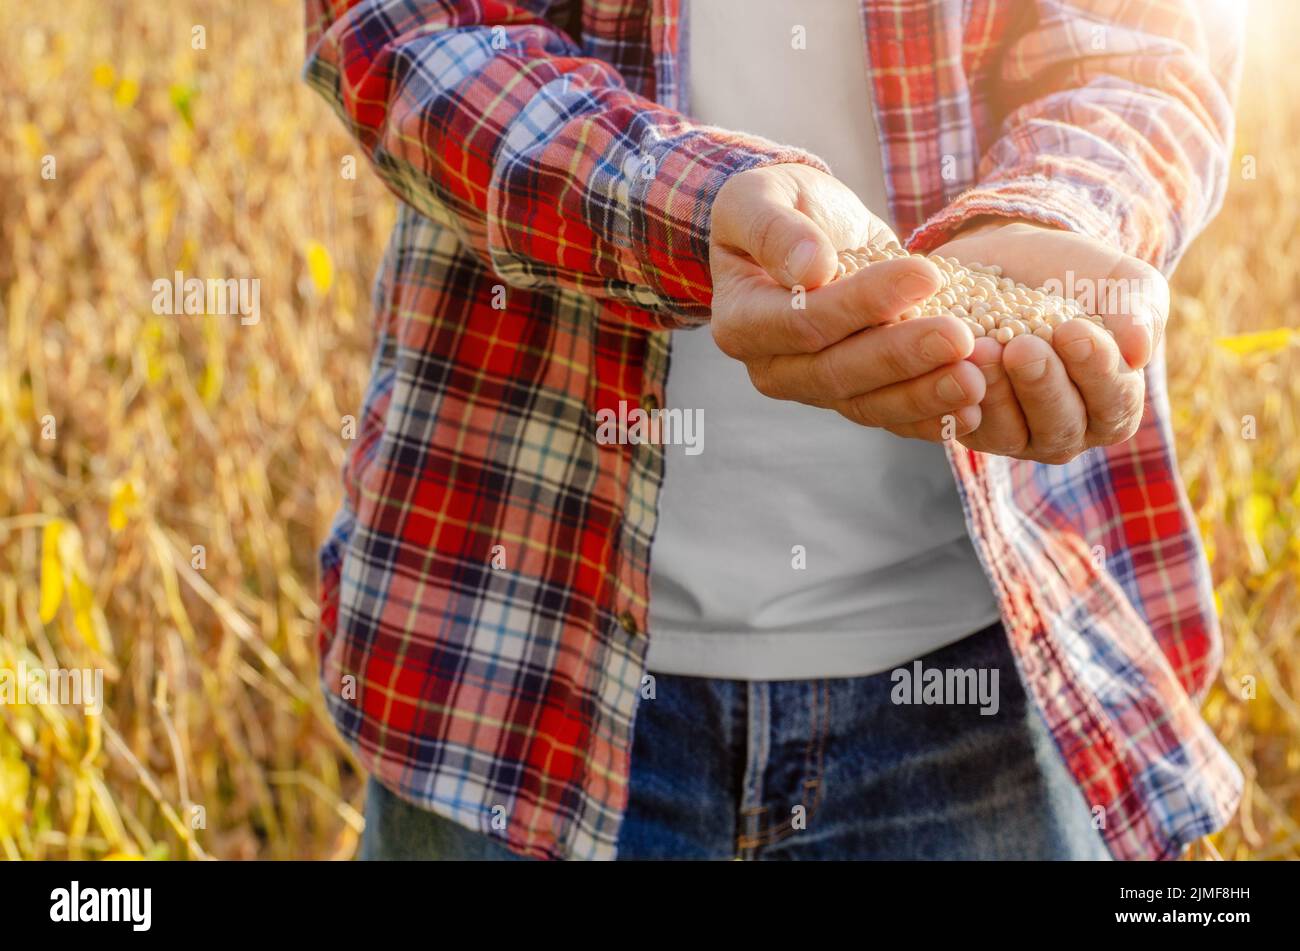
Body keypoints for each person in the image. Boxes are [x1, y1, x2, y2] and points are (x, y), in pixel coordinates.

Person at [304, 0, 1244, 860]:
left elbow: (1146, 46)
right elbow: (410, 27)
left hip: (984, 666)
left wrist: (1056, 207)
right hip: (516, 654)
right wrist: (693, 201)